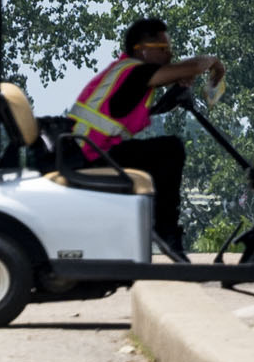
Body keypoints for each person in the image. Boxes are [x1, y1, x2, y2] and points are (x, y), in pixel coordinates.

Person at [67, 16, 224, 253]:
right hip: (89, 154)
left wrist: (175, 89)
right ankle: (166, 230)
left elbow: (147, 109)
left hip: (90, 151)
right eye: (163, 49)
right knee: (171, 149)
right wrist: (214, 62)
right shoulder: (135, 72)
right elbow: (192, 66)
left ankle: (159, 227)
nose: (168, 55)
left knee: (160, 151)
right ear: (141, 50)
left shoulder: (126, 74)